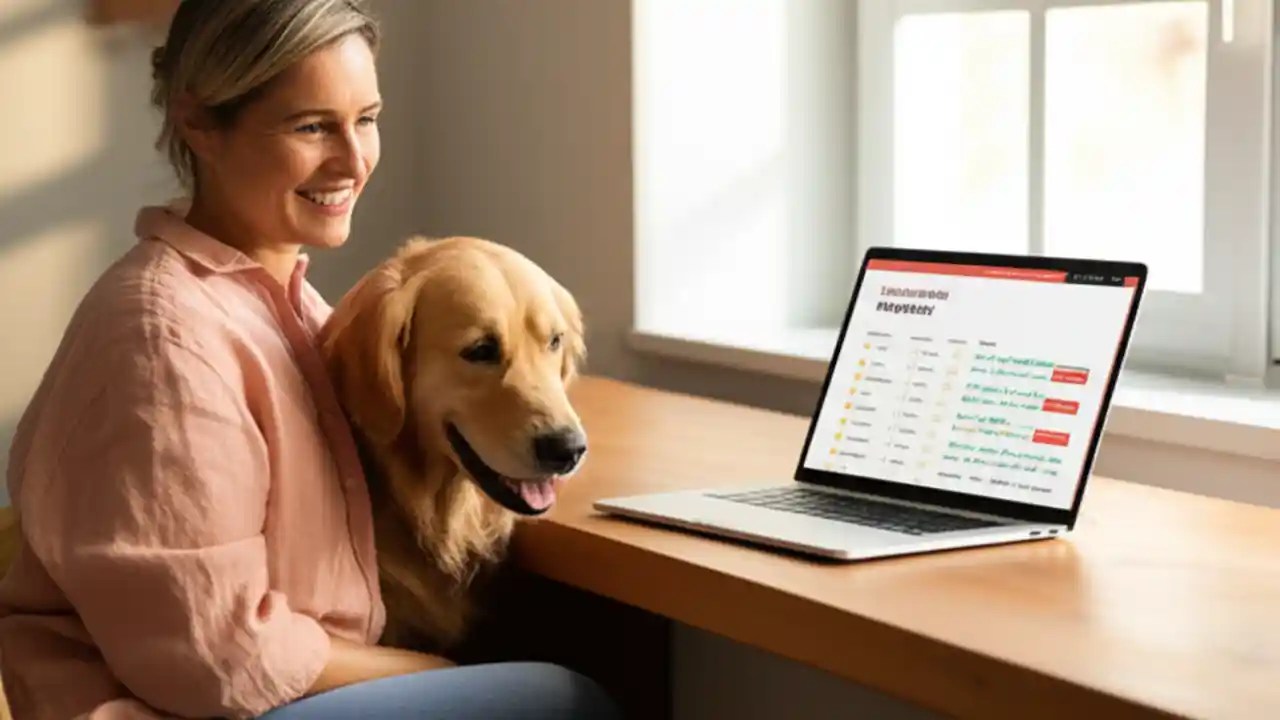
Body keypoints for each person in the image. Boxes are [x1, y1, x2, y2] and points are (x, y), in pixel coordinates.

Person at [0, 1, 621, 718]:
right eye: (312, 126)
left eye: (367, 118)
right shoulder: (165, 339)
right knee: (565, 700)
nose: (354, 160)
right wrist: (429, 669)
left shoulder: (284, 310)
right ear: (198, 121)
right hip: (177, 707)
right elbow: (220, 660)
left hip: (235, 690)